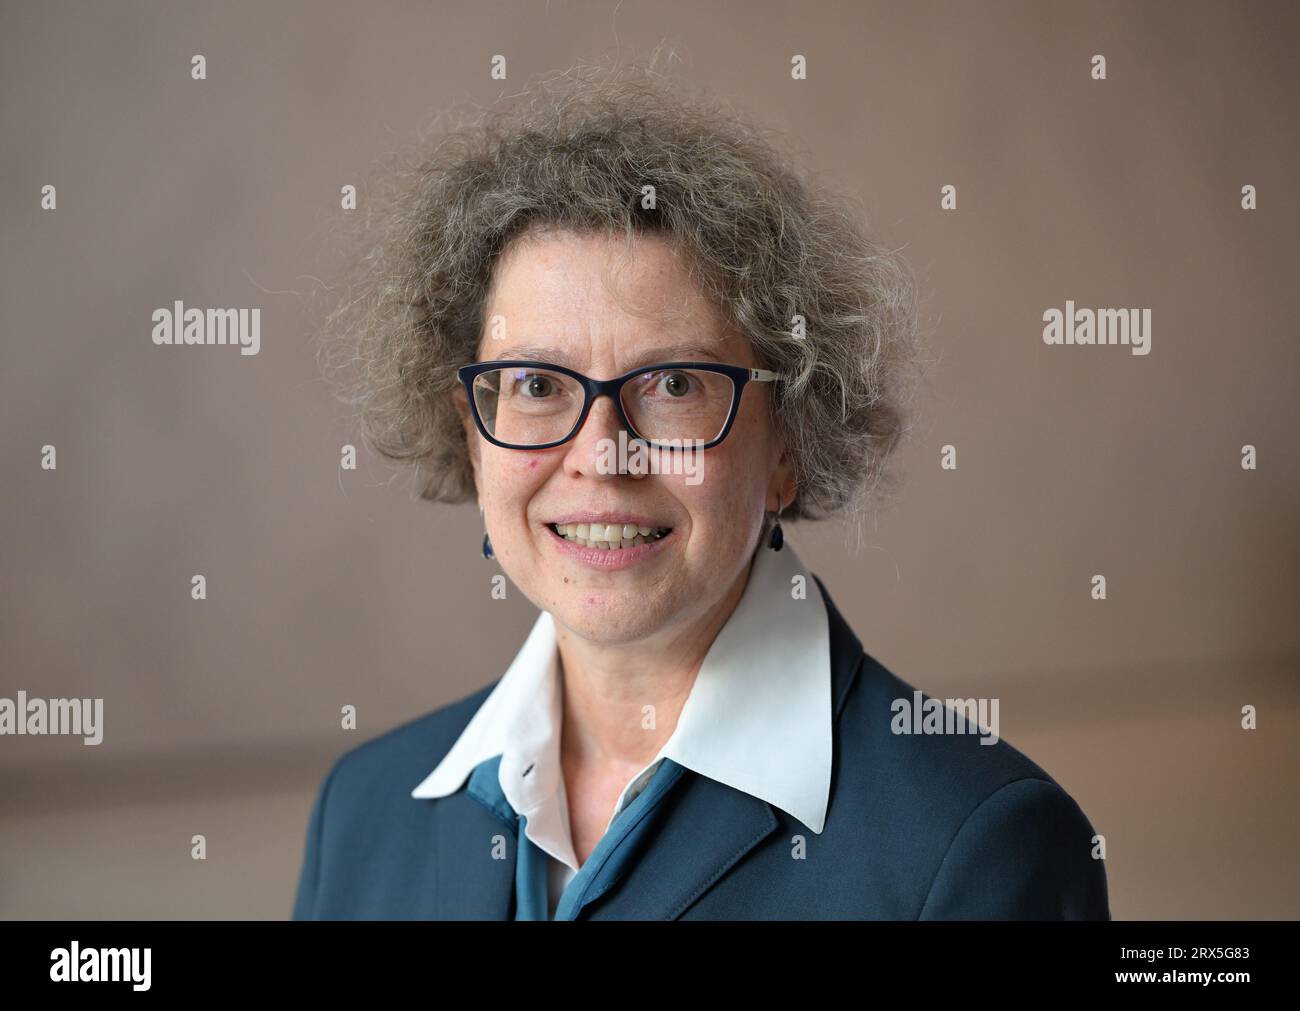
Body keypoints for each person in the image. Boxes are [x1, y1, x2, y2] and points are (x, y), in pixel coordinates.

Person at [292, 66, 1109, 920]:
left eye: (675, 384)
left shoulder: (976, 846)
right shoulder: (363, 813)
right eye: (537, 383)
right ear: (472, 429)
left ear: (789, 437)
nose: (601, 456)